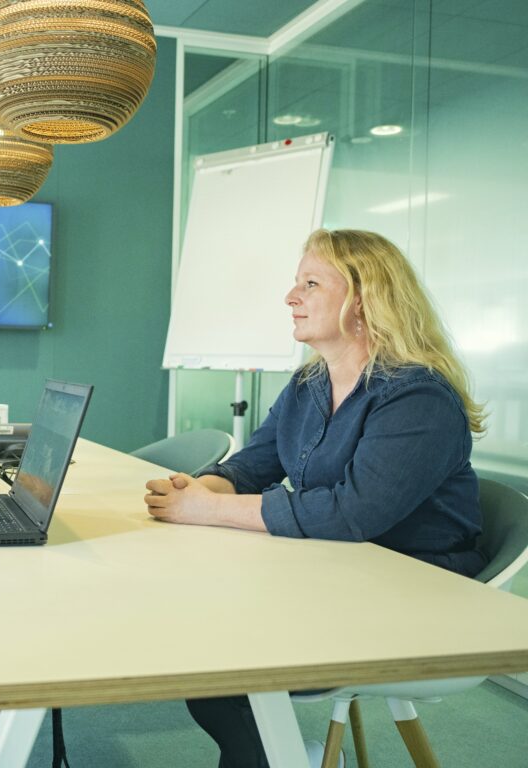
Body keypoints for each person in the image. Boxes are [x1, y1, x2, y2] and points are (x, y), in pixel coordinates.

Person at [143, 228, 487, 768]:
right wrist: (195, 489)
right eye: (295, 282)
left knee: (222, 651)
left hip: (417, 595)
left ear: (365, 300)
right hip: (334, 574)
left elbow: (352, 512)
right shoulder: (308, 385)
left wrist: (206, 510)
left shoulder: (418, 396)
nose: (290, 297)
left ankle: (276, 757)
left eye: (310, 283)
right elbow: (252, 466)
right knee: (204, 636)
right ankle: (275, 756)